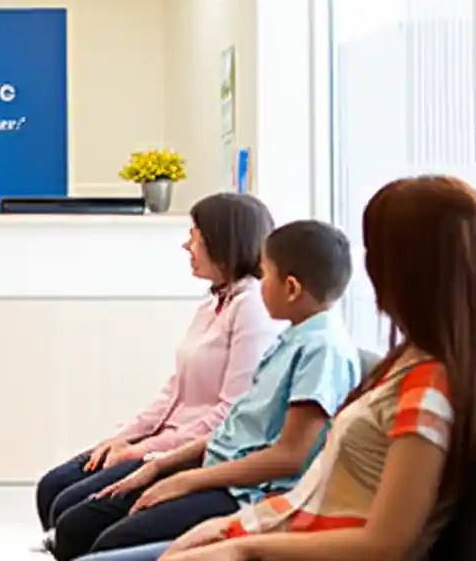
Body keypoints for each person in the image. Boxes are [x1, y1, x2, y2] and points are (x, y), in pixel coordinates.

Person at [152, 176, 473, 561]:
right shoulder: (402, 361)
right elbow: (314, 496)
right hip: (280, 525)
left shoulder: (428, 384)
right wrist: (227, 529)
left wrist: (242, 545)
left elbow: (385, 544)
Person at [51, 220, 362, 559]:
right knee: (78, 523)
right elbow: (236, 429)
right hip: (216, 472)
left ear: (291, 288)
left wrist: (189, 481)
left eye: (265, 275)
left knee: (110, 541)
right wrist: (161, 465)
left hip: (245, 493)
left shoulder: (322, 350)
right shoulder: (291, 339)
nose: (259, 286)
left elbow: (290, 456)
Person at [34, 193, 282, 550]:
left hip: (192, 450)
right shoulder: (214, 302)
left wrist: (144, 452)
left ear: (222, 240)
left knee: (75, 518)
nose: (186, 245)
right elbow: (174, 390)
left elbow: (229, 414)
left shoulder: (252, 309)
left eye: (194, 236)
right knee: (53, 487)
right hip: (164, 437)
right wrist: (122, 438)